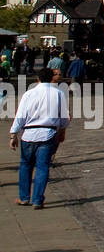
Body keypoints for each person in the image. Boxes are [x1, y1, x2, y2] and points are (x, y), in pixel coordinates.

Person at [8, 66, 70, 208]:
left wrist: (13, 134)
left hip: (29, 134)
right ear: (52, 78)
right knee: (42, 167)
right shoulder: (58, 94)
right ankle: (37, 199)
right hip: (48, 134)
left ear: (38, 79)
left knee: (25, 165)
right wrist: (62, 129)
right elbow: (64, 117)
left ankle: (24, 197)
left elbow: (20, 116)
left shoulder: (29, 94)